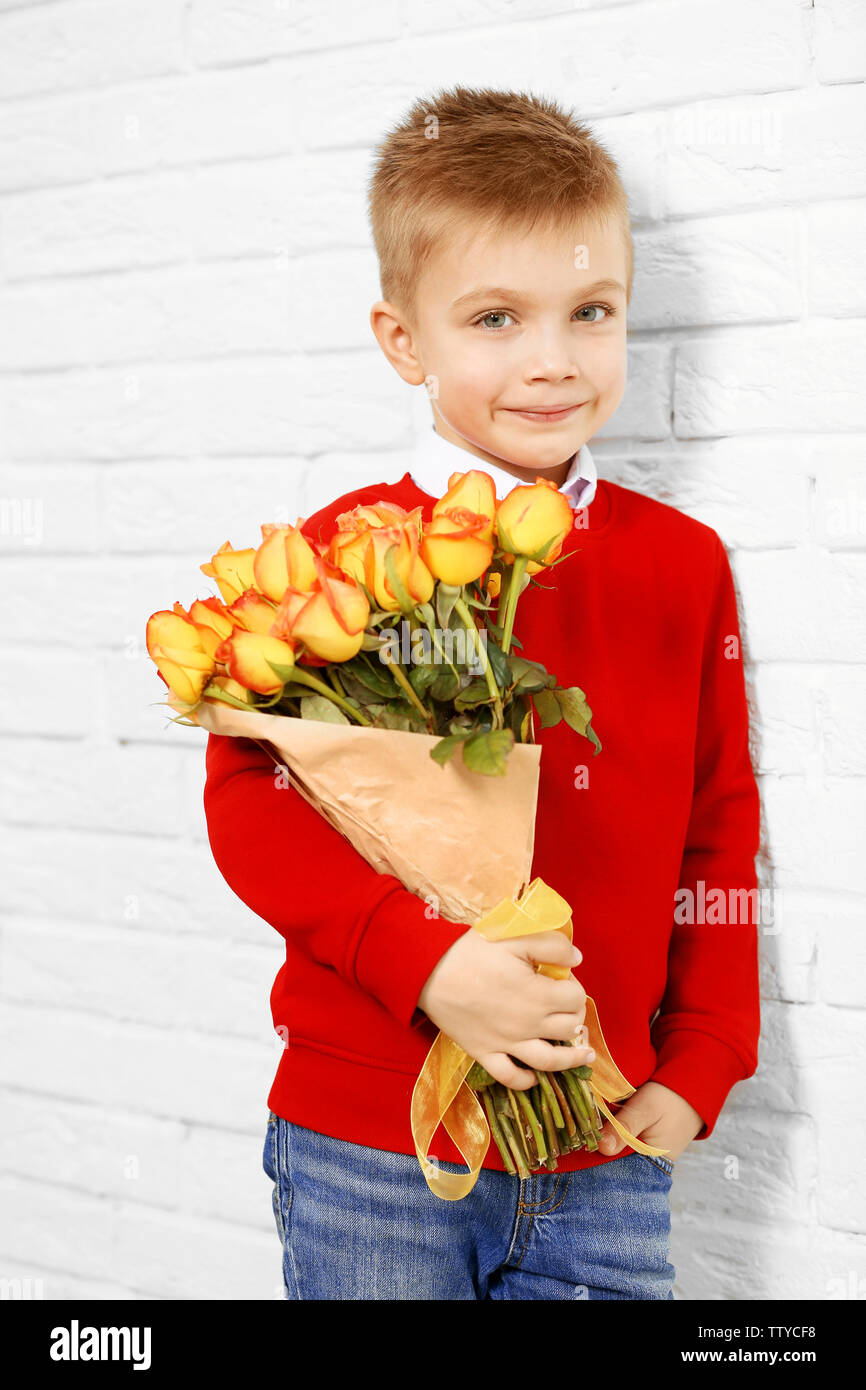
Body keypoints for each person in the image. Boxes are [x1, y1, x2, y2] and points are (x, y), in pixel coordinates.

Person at [203, 86, 761, 1300]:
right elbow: (255, 807)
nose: (551, 360)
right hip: (372, 1140)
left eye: (591, 312)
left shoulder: (681, 563)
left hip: (608, 1135)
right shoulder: (342, 557)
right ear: (404, 340)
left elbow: (717, 827)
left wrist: (706, 1056)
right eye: (495, 318)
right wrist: (427, 966)